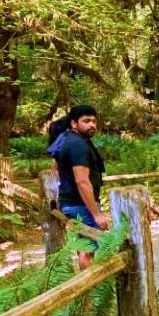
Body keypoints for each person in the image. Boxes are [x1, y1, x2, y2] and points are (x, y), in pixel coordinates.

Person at [51, 105, 108, 268]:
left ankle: (86, 281)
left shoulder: (66, 140)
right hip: (81, 205)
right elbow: (82, 181)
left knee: (83, 248)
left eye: (94, 121)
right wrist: (96, 214)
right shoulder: (78, 145)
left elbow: (54, 168)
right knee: (87, 251)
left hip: (71, 203)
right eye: (86, 121)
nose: (92, 125)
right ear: (74, 123)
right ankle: (90, 283)